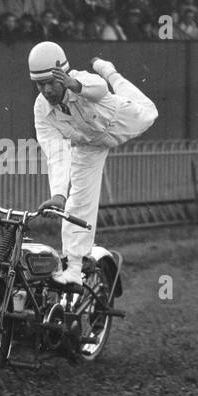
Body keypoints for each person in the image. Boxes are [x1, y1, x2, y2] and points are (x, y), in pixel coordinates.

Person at [29, 43, 158, 285]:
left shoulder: (80, 80)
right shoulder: (41, 109)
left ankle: (110, 69)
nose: (46, 90)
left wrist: (76, 85)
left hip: (119, 121)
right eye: (40, 83)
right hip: (88, 146)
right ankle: (74, 268)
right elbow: (56, 152)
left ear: (64, 75)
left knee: (150, 112)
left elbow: (99, 89)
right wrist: (58, 195)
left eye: (51, 81)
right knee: (77, 202)